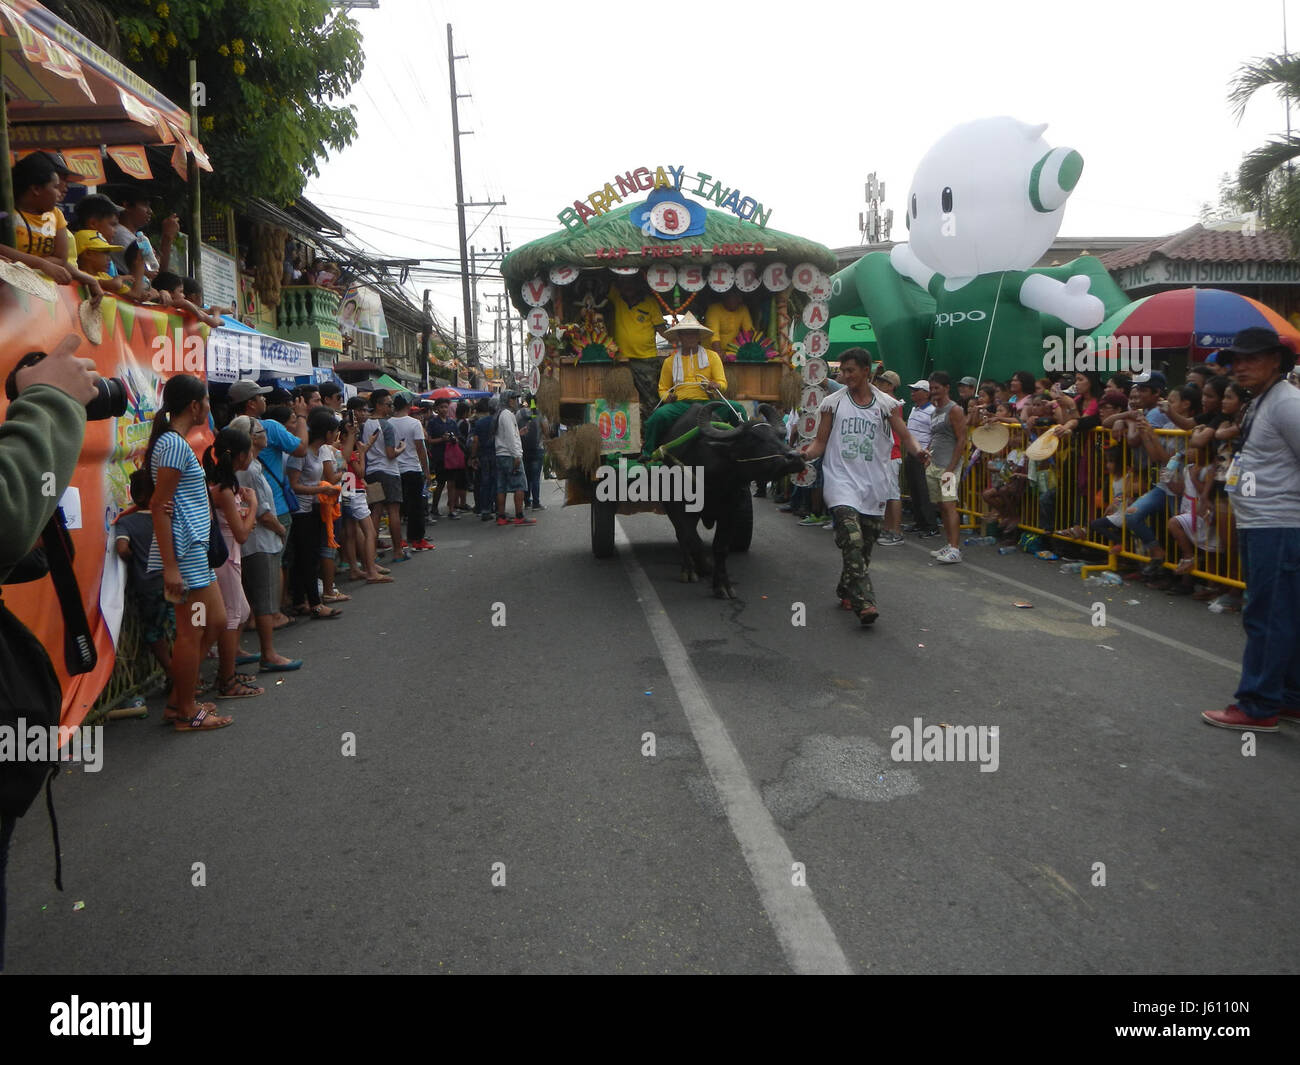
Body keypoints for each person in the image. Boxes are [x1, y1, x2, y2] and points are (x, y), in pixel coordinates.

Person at [1202, 328, 1300, 731]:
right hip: (1265, 524)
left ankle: (1258, 705)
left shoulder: (1287, 403)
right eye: (1236, 360)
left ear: (1276, 360)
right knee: (1283, 615)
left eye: (1252, 358)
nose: (1240, 366)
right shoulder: (1263, 401)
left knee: (1267, 615)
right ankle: (1288, 697)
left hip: (1277, 525)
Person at [800, 348, 926, 626]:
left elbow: (905, 435)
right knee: (852, 538)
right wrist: (804, 455)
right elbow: (820, 443)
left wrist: (918, 451)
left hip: (874, 484)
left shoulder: (886, 404)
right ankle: (865, 601)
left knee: (864, 546)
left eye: (850, 371)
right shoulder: (832, 403)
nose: (844, 376)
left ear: (866, 370)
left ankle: (847, 588)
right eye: (842, 371)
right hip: (841, 480)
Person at [144, 374, 231, 732]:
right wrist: (170, 567)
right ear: (194, 406)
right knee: (192, 631)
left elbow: (166, 503)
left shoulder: (172, 443)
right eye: (207, 401)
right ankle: (186, 711)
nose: (209, 408)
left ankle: (180, 701)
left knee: (215, 622)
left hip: (192, 551)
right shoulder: (175, 445)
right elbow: (160, 504)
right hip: (184, 553)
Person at [228, 416, 301, 672]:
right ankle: (268, 654)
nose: (265, 433)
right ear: (250, 437)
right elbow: (261, 510)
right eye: (259, 430)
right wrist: (280, 529)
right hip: (260, 540)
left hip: (256, 539)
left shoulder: (252, 464)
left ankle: (238, 650)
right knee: (265, 600)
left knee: (248, 601)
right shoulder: (248, 469)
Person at [203, 427, 263, 700]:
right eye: (249, 451)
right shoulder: (225, 490)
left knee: (240, 610)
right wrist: (253, 506)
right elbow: (241, 532)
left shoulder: (226, 485)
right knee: (233, 614)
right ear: (240, 456)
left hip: (230, 556)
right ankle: (226, 679)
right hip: (225, 558)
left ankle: (226, 672)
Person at [643, 313, 729, 457]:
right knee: (657, 416)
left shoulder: (712, 356)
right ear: (680, 337)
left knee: (737, 409)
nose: (690, 337)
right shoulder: (669, 361)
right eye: (685, 334)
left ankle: (742, 448)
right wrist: (667, 398)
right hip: (680, 405)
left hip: (707, 403)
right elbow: (663, 388)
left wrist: (716, 385)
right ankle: (647, 453)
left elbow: (723, 383)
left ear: (699, 336)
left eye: (693, 334)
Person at [286, 409, 345, 619]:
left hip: (315, 508)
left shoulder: (321, 452)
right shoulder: (302, 454)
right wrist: (322, 489)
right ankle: (314, 604)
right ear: (327, 433)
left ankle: (301, 602)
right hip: (301, 511)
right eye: (335, 431)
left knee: (307, 558)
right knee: (307, 558)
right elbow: (293, 485)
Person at [114, 470, 173, 675]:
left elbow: (122, 549)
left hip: (147, 585)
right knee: (182, 629)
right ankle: (191, 677)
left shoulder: (126, 523)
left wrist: (135, 557)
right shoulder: (168, 515)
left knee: (154, 632)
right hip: (174, 582)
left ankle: (172, 673)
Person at [608, 273, 667, 417]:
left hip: (646, 360)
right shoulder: (616, 297)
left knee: (651, 400)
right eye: (624, 283)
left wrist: (679, 338)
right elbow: (607, 279)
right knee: (622, 399)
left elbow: (662, 331)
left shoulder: (650, 302)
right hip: (622, 360)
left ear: (638, 285)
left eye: (631, 283)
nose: (627, 287)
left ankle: (651, 432)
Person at [924, 371, 968, 564]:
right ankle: (949, 544)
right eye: (931, 388)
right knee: (941, 505)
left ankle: (955, 549)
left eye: (937, 388)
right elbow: (935, 436)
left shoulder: (954, 410)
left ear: (946, 388)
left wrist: (951, 467)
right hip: (935, 464)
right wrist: (926, 453)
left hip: (949, 465)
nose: (934, 392)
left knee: (949, 505)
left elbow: (961, 439)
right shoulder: (935, 412)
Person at [360, 389, 407, 556]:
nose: (391, 408)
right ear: (378, 405)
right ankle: (398, 551)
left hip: (371, 471)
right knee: (394, 511)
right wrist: (401, 448)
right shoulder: (386, 425)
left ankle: (371, 555)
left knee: (375, 512)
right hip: (388, 471)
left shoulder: (365, 425)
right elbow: (390, 453)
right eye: (388, 404)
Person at [391, 393, 433, 550]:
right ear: (408, 405)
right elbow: (421, 449)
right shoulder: (414, 423)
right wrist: (426, 471)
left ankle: (399, 540)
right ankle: (416, 539)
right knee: (416, 507)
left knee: (397, 508)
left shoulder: (387, 423)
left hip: (394, 469)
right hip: (413, 469)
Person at [871, 369, 905, 545]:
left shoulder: (892, 404)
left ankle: (896, 531)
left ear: (891, 386)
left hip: (892, 453)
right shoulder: (884, 402)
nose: (879, 384)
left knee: (893, 493)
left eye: (883, 382)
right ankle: (887, 528)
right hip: (884, 454)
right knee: (886, 493)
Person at [903, 380, 939, 537]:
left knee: (924, 491)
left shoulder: (932, 411)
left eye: (916, 390)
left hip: (923, 456)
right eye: (912, 389)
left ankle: (931, 526)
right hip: (911, 454)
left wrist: (928, 452)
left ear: (926, 393)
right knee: (914, 490)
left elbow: (935, 434)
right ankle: (919, 522)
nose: (913, 392)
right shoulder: (914, 409)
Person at [495, 391, 536, 526]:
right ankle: (519, 515)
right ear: (507, 400)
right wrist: (517, 455)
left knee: (501, 487)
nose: (515, 401)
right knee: (519, 485)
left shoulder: (500, 414)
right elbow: (510, 438)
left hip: (501, 454)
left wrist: (519, 433)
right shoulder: (507, 415)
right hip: (510, 455)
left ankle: (501, 516)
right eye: (512, 398)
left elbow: (506, 435)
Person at [517, 398, 547, 510]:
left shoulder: (520, 413)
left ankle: (527, 502)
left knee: (526, 476)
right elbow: (545, 429)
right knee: (535, 477)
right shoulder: (540, 413)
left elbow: (515, 427)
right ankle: (536, 503)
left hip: (523, 449)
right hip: (537, 449)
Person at [705, 289, 754, 356]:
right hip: (711, 352)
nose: (739, 300)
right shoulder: (713, 309)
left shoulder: (743, 308)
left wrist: (751, 350)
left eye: (739, 298)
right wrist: (718, 352)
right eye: (735, 297)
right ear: (725, 297)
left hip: (732, 352)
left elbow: (748, 332)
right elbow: (714, 334)